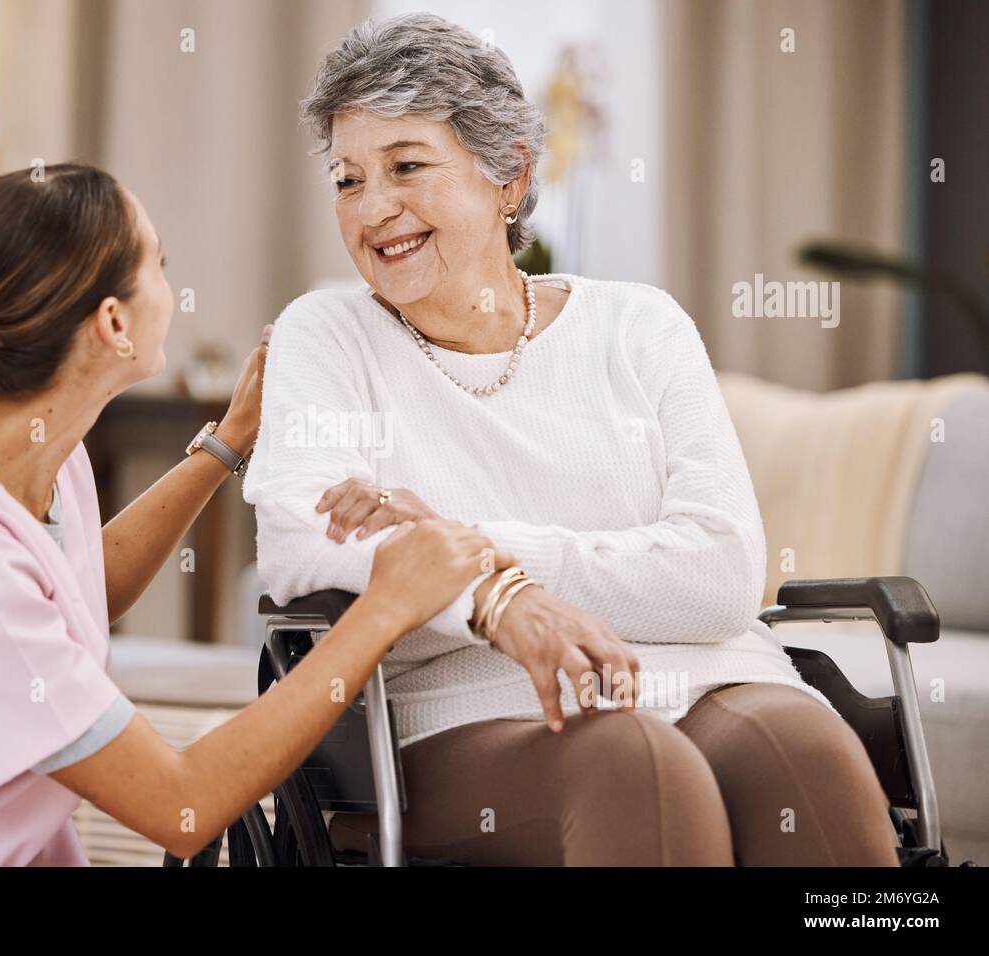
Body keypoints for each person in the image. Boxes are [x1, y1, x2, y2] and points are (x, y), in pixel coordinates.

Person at [243, 14, 899, 865]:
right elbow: (300, 541)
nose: (373, 209)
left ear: (508, 175)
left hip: (715, 674)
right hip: (475, 706)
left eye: (406, 166)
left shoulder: (641, 325)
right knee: (635, 765)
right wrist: (500, 606)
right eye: (348, 179)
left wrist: (471, 549)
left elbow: (722, 575)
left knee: (810, 758)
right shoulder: (327, 333)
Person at [0, 163, 507, 865]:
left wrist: (228, 443)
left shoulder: (29, 448)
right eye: (158, 266)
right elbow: (181, 807)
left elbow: (81, 586)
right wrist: (383, 610)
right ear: (114, 323)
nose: (172, 286)